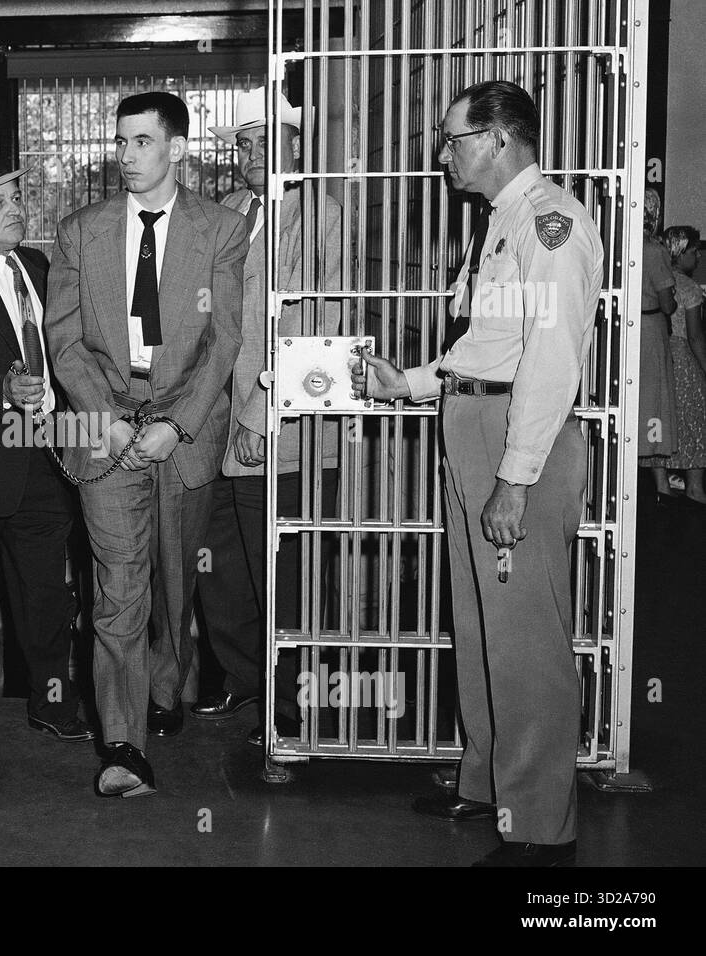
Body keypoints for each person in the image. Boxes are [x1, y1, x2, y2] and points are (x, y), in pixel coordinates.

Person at [352, 81, 602, 867]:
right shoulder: (502, 220)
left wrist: (515, 478)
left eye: (453, 138)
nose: (442, 153)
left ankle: (538, 829)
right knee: (481, 624)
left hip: (517, 440)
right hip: (476, 425)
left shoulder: (551, 223)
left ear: (498, 139)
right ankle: (491, 782)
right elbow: (485, 349)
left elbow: (550, 362)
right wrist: (409, 383)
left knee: (526, 641)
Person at [46, 91, 245, 796]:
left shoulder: (222, 230)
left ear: (177, 149)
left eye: (142, 142)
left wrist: (176, 424)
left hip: (184, 428)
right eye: (121, 141)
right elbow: (65, 340)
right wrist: (108, 418)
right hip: (105, 426)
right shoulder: (81, 231)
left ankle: (166, 684)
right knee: (118, 585)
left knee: (174, 579)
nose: (126, 155)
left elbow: (224, 339)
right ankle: (123, 745)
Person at [195, 87, 344, 747]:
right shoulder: (231, 209)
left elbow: (320, 326)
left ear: (298, 145)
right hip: (218, 422)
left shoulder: (321, 215)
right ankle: (241, 676)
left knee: (282, 566)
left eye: (266, 141)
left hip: (284, 424)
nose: (252, 153)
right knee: (222, 562)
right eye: (244, 143)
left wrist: (260, 415)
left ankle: (290, 704)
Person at [0, 144, 92, 742]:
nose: (15, 209)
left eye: (15, 197)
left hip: (45, 455)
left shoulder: (36, 265)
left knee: (45, 598)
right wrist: (2, 391)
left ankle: (52, 705)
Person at [638, 189, 680, 500]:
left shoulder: (617, 244)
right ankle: (660, 486)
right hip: (650, 331)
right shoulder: (655, 251)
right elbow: (667, 304)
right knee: (654, 402)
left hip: (621, 327)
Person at [662, 225, 706, 504]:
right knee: (696, 421)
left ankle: (662, 484)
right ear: (680, 253)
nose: (698, 257)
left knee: (663, 418)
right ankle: (695, 487)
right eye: (694, 251)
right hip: (683, 360)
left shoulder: (657, 280)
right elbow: (695, 336)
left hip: (659, 355)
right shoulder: (690, 288)